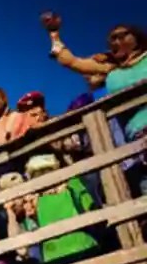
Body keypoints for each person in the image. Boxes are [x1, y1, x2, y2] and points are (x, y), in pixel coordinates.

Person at [43, 13, 147, 194]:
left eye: (123, 35)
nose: (117, 40)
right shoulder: (110, 69)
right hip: (137, 143)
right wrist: (54, 34)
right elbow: (71, 61)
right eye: (113, 38)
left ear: (137, 39)